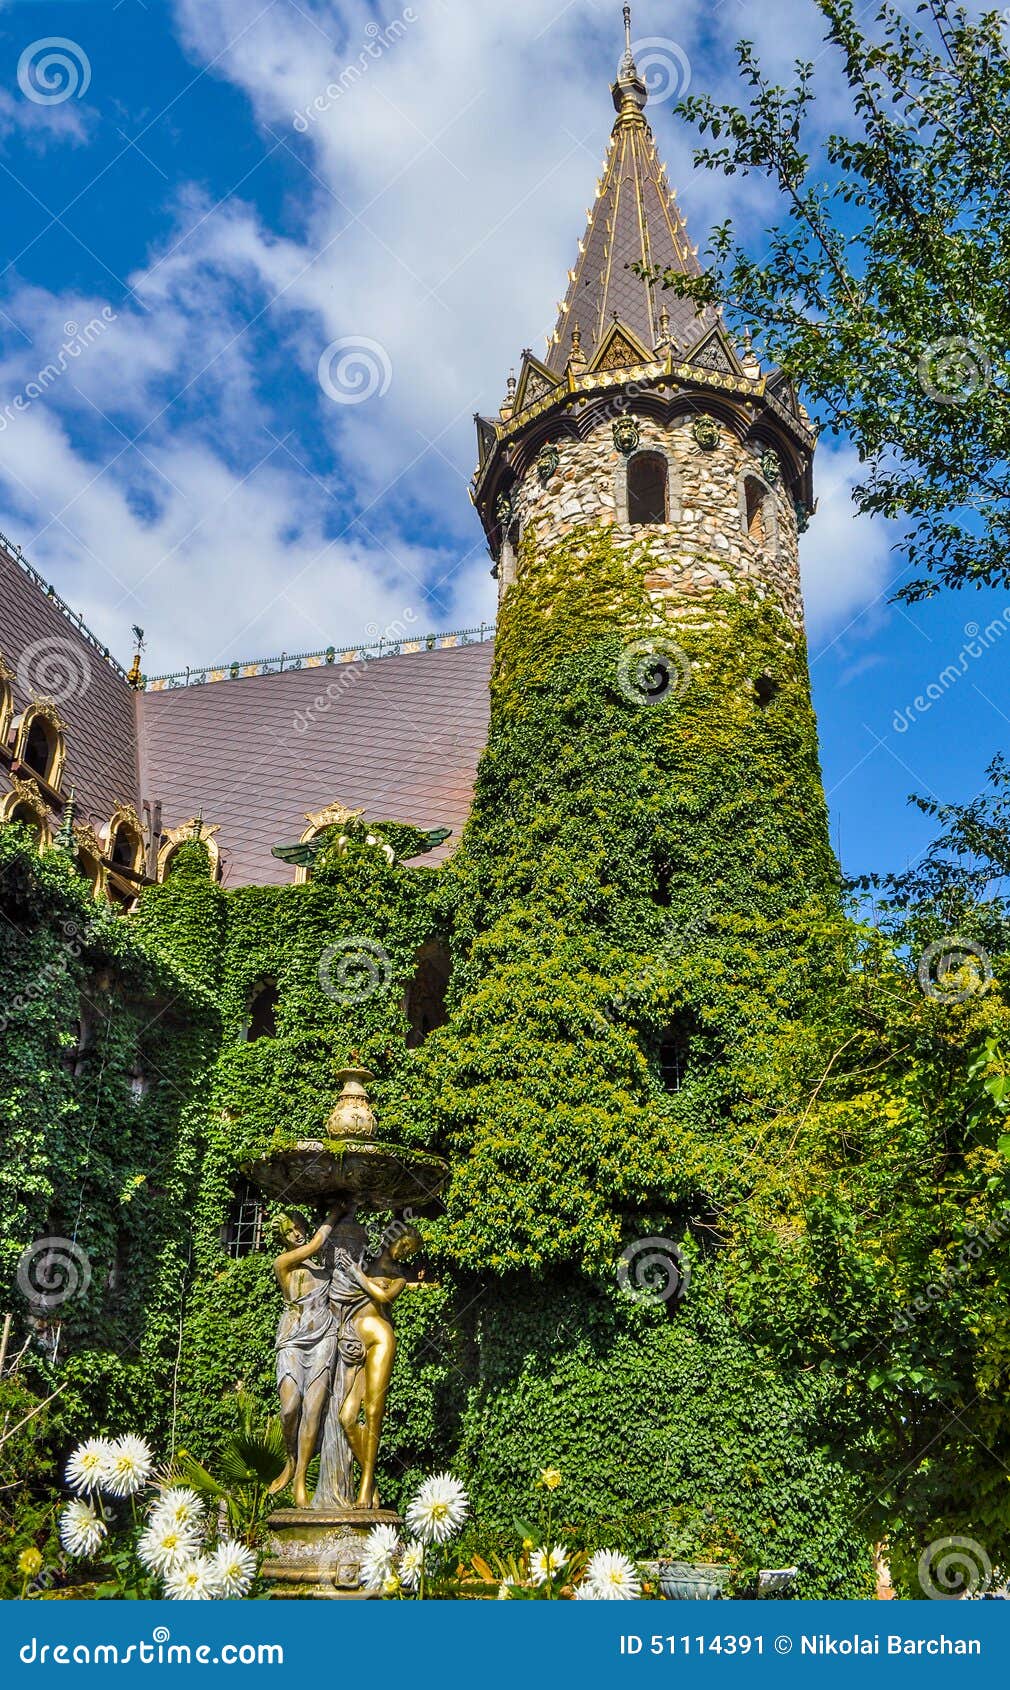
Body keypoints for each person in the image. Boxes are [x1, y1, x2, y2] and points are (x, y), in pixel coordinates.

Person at [332, 1228, 422, 1508]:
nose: (405, 1252)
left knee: (373, 1412)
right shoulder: (366, 1259)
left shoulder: (399, 1277)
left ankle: (364, 1490)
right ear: (394, 1237)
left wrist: (359, 1276)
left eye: (411, 1251)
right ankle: (372, 1482)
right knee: (346, 1418)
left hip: (381, 1337)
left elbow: (383, 1299)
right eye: (405, 1245)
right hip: (354, 1336)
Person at [270, 1205, 343, 1509]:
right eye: (289, 1231)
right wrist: (336, 1212)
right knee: (290, 1409)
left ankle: (299, 1480)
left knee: (313, 1411)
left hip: (324, 1337)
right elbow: (315, 1244)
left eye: (298, 1226)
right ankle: (291, 1458)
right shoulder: (283, 1263)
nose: (296, 1234)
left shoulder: (325, 1269)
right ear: (282, 1238)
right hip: (292, 1339)